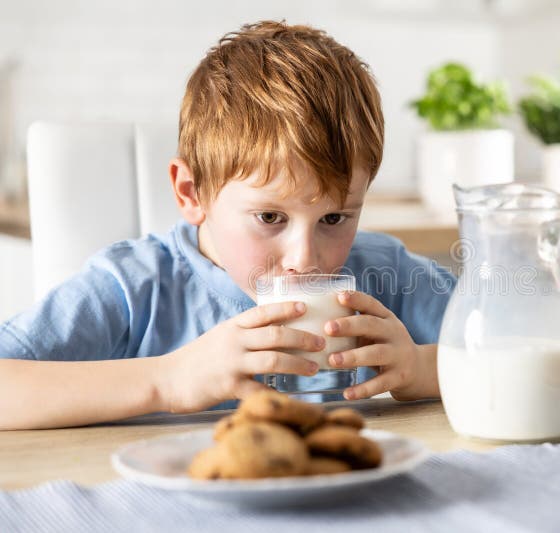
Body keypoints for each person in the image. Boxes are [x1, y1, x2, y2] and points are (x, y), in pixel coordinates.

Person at [0, 20, 455, 430]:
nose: (305, 259)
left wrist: (421, 366)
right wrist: (168, 380)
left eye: (334, 218)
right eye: (270, 217)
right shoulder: (135, 289)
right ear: (191, 193)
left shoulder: (385, 275)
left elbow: (514, 346)